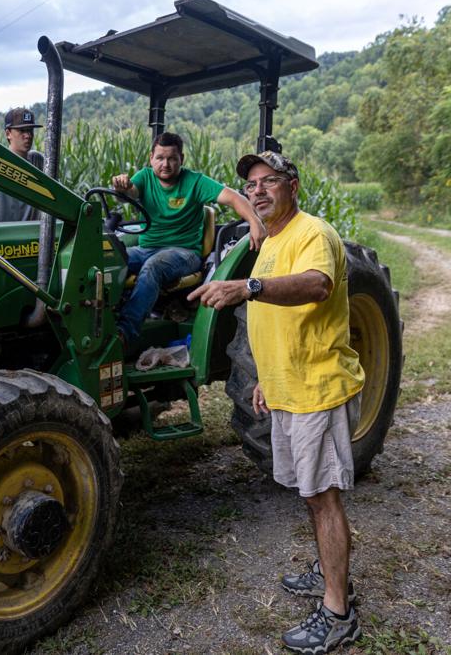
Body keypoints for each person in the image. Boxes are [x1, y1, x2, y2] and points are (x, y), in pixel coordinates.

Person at [188, 150, 365, 654]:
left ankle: (338, 611)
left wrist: (248, 285)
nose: (258, 191)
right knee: (311, 494)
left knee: (322, 495)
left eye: (269, 181)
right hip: (287, 386)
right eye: (250, 186)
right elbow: (272, 318)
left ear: (293, 185)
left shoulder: (313, 233)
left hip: (317, 388)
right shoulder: (270, 240)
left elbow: (315, 285)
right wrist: (265, 377)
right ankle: (327, 572)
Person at [110, 132, 264, 343]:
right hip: (146, 248)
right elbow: (131, 192)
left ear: (181, 159)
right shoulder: (144, 178)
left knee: (153, 266)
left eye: (172, 158)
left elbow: (234, 198)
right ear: (151, 158)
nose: (166, 164)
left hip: (184, 253)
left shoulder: (194, 182)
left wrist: (255, 222)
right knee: (109, 260)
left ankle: (124, 333)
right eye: (160, 158)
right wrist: (123, 187)